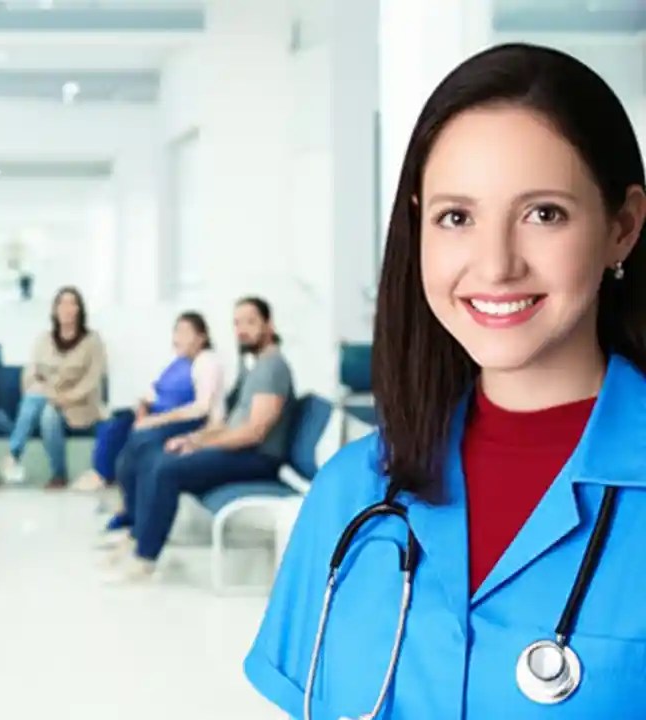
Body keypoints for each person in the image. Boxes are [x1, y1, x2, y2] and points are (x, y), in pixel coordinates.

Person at [247, 44, 646, 719]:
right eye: (456, 217)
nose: (494, 266)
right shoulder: (351, 494)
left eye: (543, 213)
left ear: (622, 228)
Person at [108, 297, 294, 581]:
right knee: (155, 456)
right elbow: (228, 423)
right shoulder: (254, 367)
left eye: (250, 322)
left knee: (165, 469)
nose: (241, 329)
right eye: (236, 323)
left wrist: (200, 444)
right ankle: (137, 538)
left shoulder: (273, 368)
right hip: (238, 449)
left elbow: (254, 432)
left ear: (269, 325)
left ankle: (144, 559)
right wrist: (192, 437)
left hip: (258, 458)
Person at [78, 312, 224, 532]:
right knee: (116, 425)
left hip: (192, 423)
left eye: (186, 332)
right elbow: (154, 391)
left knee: (138, 444)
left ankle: (132, 514)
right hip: (161, 416)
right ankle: (117, 494)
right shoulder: (179, 362)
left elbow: (201, 408)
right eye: (177, 330)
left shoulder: (207, 361)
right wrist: (143, 409)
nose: (178, 337)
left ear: (202, 337)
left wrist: (154, 420)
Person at [0, 286, 106, 489]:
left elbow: (92, 379)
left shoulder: (92, 341)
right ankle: (14, 457)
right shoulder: (43, 339)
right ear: (55, 310)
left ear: (79, 310)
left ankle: (56, 473)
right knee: (39, 404)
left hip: (79, 406)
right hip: (46, 398)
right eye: (61, 303)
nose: (66, 308)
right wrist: (48, 392)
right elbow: (31, 374)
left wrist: (67, 398)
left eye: (71, 303)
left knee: (46, 410)